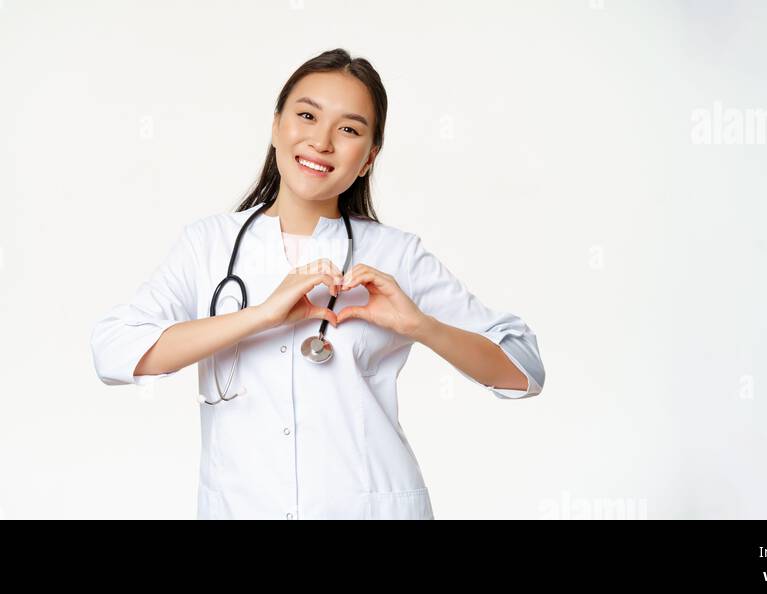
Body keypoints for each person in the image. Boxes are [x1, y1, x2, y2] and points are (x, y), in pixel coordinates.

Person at [91, 48, 545, 520]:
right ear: (275, 126)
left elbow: (523, 370)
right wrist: (259, 316)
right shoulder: (207, 244)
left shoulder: (397, 255)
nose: (322, 142)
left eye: (348, 129)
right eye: (306, 115)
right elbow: (114, 352)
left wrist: (422, 326)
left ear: (369, 158)